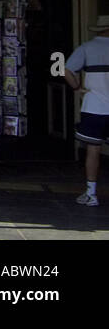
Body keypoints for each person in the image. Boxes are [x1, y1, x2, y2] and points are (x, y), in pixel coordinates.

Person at [64, 14, 109, 207]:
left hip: (94, 106)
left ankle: (91, 193)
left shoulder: (86, 48)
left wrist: (77, 88)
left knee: (93, 150)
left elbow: (66, 70)